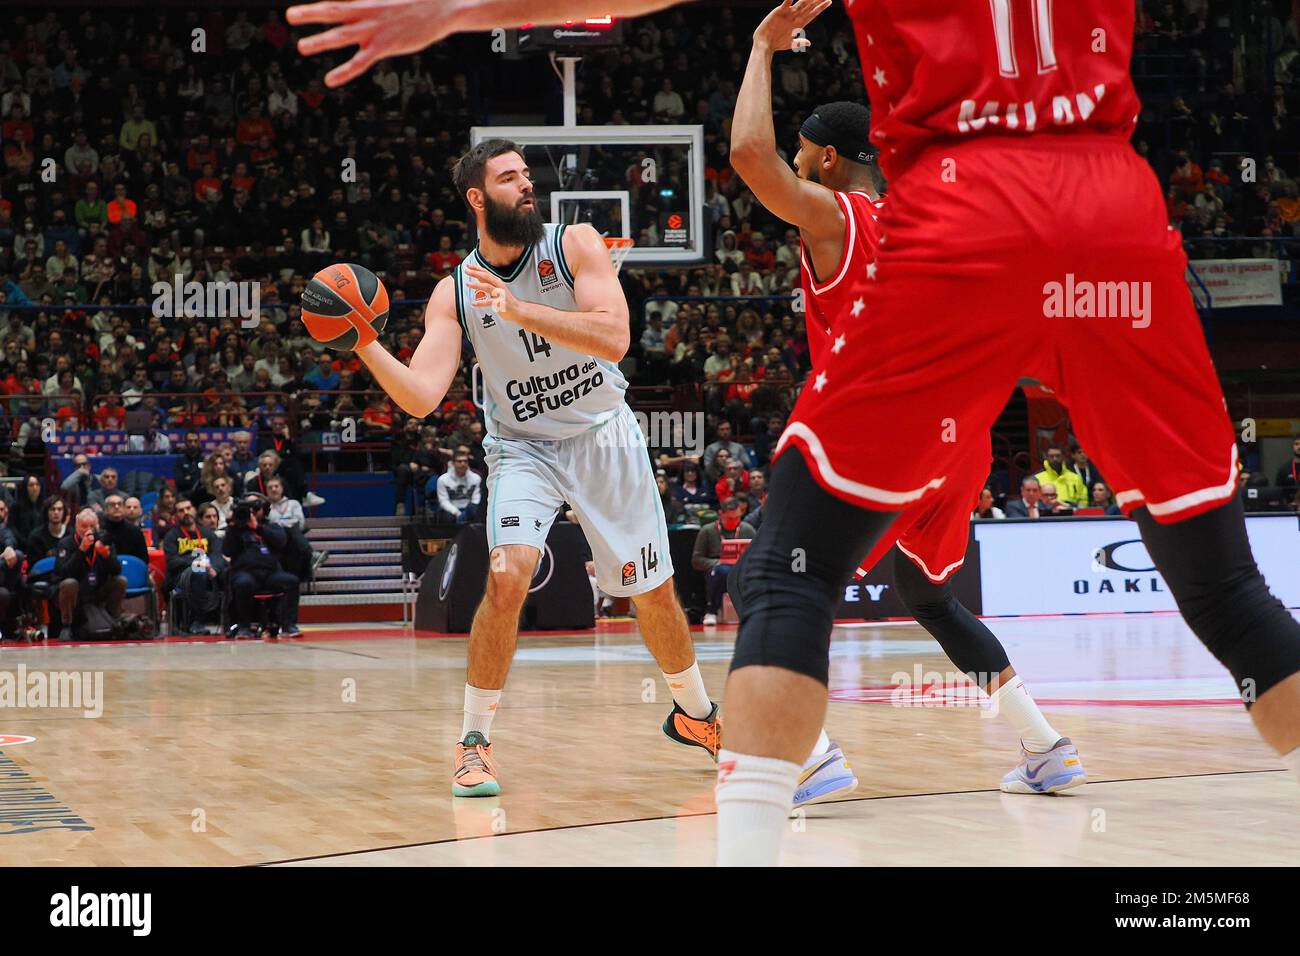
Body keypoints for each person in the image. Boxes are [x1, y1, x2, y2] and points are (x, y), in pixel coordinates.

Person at [291, 0, 1300, 862]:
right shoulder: (462, 286)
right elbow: (429, 389)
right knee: (1221, 587)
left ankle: (770, 780)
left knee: (783, 575)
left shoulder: (822, 217)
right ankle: (1006, 740)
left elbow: (724, 182)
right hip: (1111, 211)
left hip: (958, 233)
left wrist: (461, 14)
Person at [728, 29, 1080, 810]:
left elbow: (750, 158)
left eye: (802, 149)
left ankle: (808, 754)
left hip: (880, 436)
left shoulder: (842, 220)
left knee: (769, 580)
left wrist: (760, 50)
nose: (792, 159)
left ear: (826, 158)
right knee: (926, 596)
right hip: (959, 441)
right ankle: (1045, 747)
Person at [339, 137, 720, 798]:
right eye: (509, 177)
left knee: (649, 593)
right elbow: (422, 396)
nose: (526, 186)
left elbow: (616, 337)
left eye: (526, 175)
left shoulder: (574, 244)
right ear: (478, 198)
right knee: (508, 571)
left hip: (605, 437)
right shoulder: (453, 291)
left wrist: (518, 310)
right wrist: (365, 342)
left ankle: (698, 716)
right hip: (523, 449)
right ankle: (473, 742)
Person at [221, 494, 300, 639]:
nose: (252, 513)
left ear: (264, 510)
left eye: (256, 509)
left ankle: (289, 625)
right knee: (243, 583)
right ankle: (244, 626)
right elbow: (227, 550)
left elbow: (281, 542)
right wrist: (232, 527)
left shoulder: (272, 526)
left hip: (270, 573)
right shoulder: (236, 528)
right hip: (244, 572)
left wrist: (257, 528)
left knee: (292, 581)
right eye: (248, 509)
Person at [53, 508, 127, 642]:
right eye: (84, 526)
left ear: (97, 526)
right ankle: (67, 626)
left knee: (120, 581)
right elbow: (63, 573)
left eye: (92, 526)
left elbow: (117, 570)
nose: (88, 530)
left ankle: (114, 620)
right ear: (76, 526)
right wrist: (81, 550)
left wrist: (106, 555)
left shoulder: (104, 541)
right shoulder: (66, 544)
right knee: (69, 583)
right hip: (76, 592)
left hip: (97, 590)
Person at [161, 498, 226, 634]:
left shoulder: (207, 534)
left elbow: (217, 554)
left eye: (188, 508)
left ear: (194, 510)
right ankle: (195, 622)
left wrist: (214, 567)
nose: (186, 512)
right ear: (176, 515)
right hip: (181, 576)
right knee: (197, 572)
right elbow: (172, 561)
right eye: (181, 510)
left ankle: (231, 622)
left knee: (228, 573)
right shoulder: (172, 536)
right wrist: (194, 562)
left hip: (208, 572)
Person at [691, 498, 755, 626]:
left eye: (737, 518)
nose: (734, 522)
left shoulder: (748, 529)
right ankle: (711, 611)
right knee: (722, 571)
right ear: (721, 514)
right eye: (730, 519)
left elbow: (758, 554)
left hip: (743, 568)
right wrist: (718, 562)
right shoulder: (707, 530)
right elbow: (696, 560)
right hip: (717, 569)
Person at [431, 453, 481, 524]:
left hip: (469, 509)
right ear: (453, 463)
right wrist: (457, 513)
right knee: (446, 516)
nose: (463, 464)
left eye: (465, 461)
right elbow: (443, 501)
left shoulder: (476, 478)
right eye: (459, 461)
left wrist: (465, 514)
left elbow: (476, 499)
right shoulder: (442, 479)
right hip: (451, 510)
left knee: (476, 511)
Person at [99, 493, 149, 564]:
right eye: (112, 505)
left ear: (124, 508)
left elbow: (144, 560)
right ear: (106, 510)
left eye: (120, 504)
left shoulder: (135, 531)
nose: (116, 507)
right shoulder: (100, 531)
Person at [1034, 445, 1089, 510]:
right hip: (1046, 515)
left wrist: (1077, 511)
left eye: (1058, 456)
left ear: (1063, 457)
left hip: (1071, 515)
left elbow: (1083, 499)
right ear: (1046, 457)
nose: (1055, 459)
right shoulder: (1037, 478)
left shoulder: (1075, 477)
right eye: (1051, 456)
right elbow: (1033, 501)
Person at [0, 499, 24, 637]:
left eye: (2, 510)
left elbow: (9, 537)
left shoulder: (3, 530)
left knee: (18, 555)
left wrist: (9, 548)